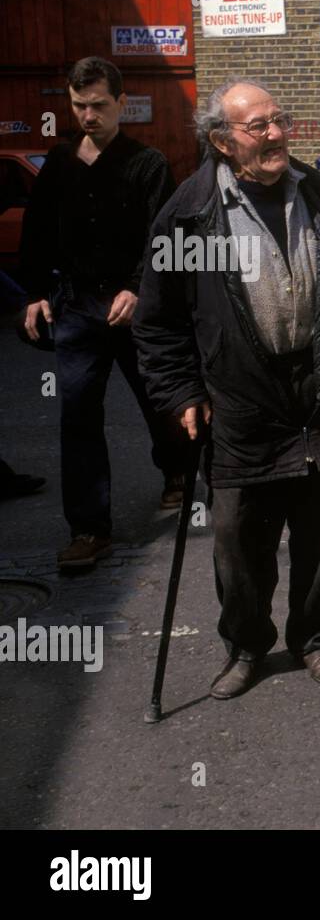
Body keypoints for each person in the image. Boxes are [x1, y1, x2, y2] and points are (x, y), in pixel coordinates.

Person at [133, 79, 320, 699]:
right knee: (239, 537)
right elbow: (158, 321)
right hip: (239, 394)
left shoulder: (317, 193)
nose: (275, 135)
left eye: (279, 121)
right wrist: (182, 391)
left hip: (318, 385)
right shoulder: (188, 214)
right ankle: (245, 645)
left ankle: (317, 639)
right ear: (222, 140)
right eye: (257, 126)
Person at [16, 56, 186, 571]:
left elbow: (166, 237)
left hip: (136, 310)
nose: (88, 115)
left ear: (120, 103)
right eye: (78, 105)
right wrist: (35, 292)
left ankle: (177, 471)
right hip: (78, 311)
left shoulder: (147, 164)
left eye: (98, 105)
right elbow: (37, 233)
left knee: (158, 400)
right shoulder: (59, 164)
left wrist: (137, 289)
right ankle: (89, 530)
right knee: (78, 417)